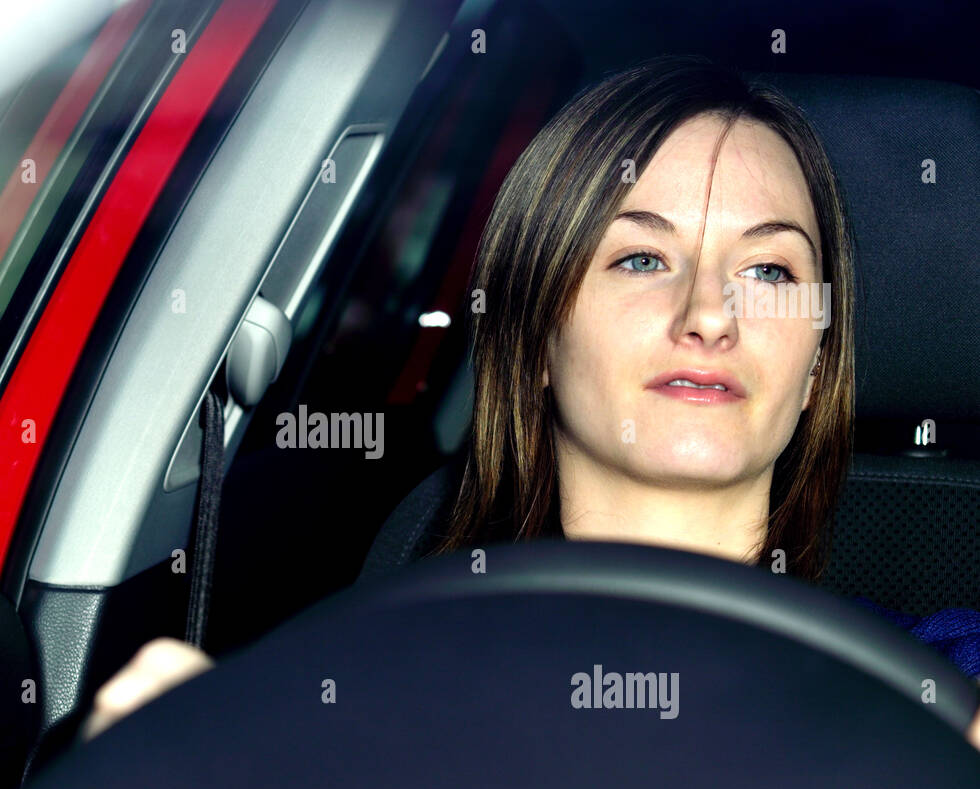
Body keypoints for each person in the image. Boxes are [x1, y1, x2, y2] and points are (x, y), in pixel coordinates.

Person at [82, 56, 980, 749]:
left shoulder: (947, 685)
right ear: (536, 334)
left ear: (819, 363)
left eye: (770, 270)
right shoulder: (355, 691)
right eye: (639, 258)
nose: (711, 314)